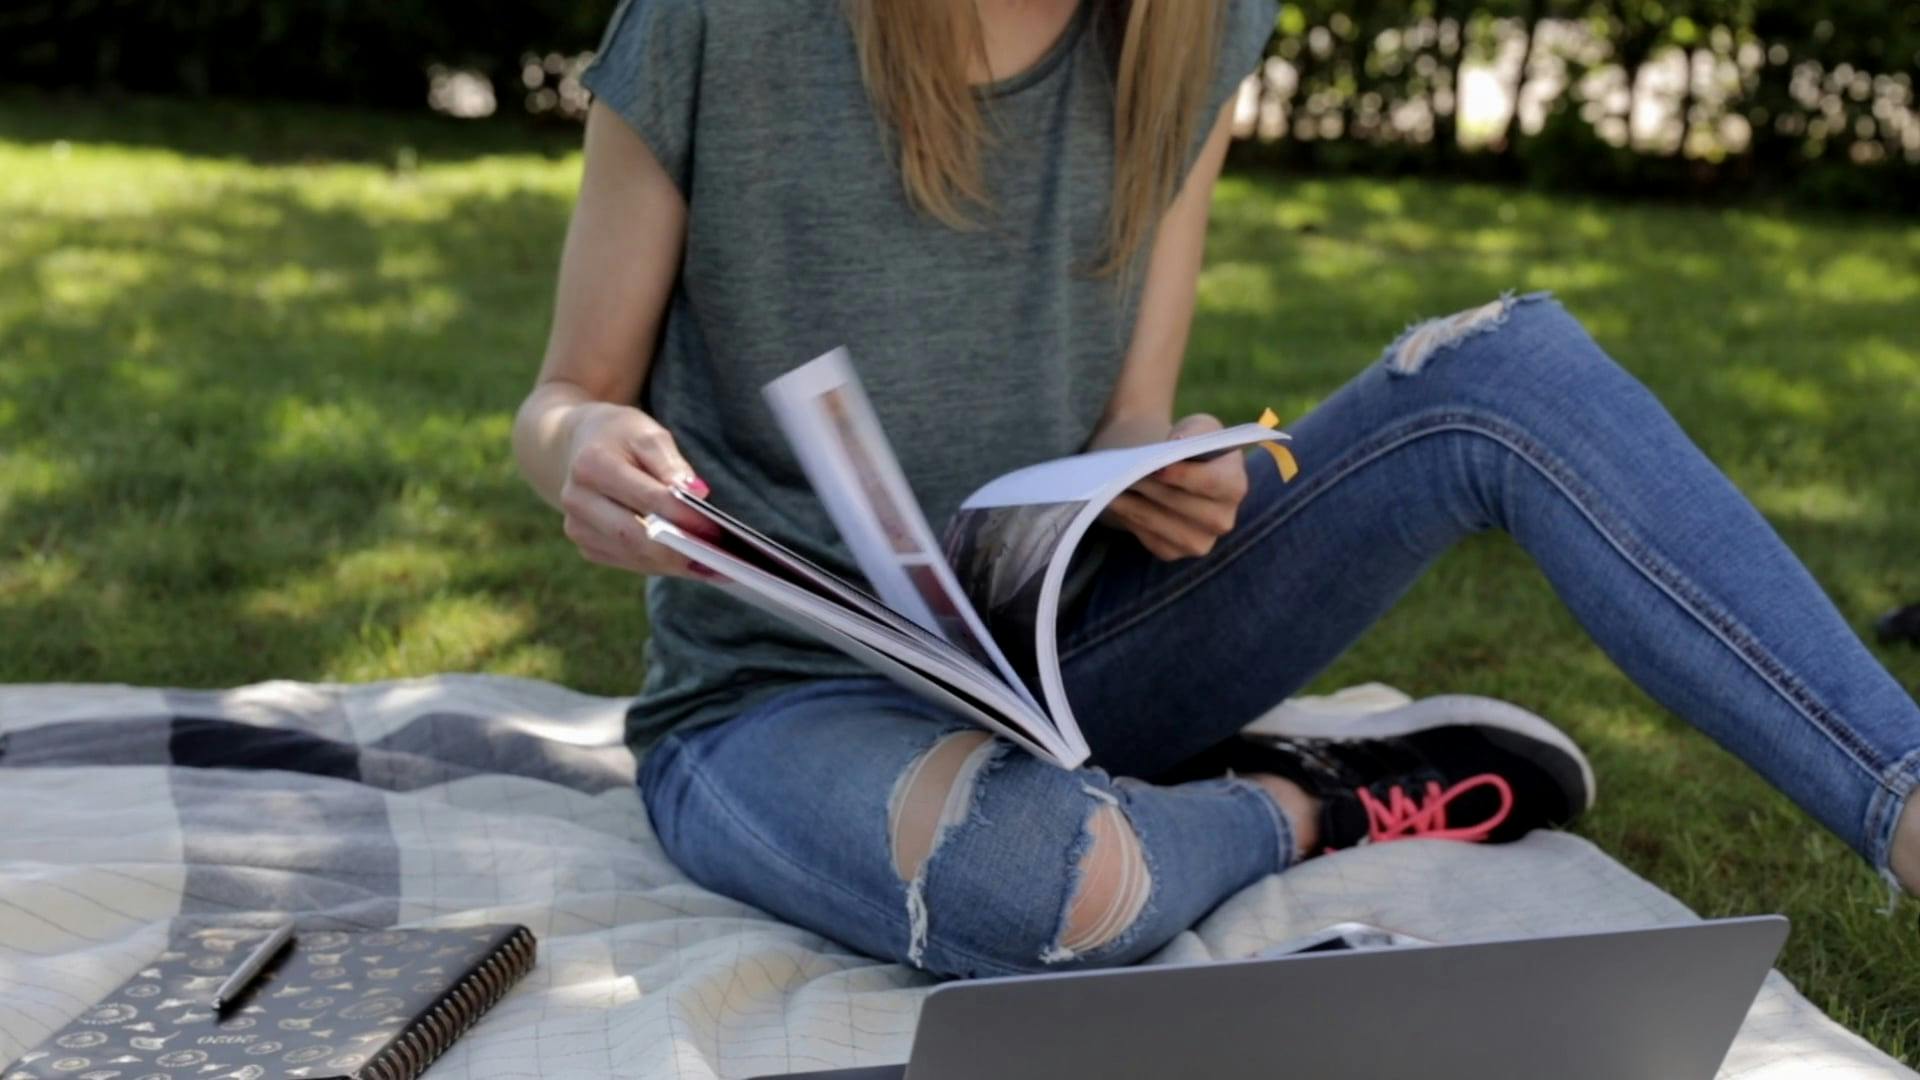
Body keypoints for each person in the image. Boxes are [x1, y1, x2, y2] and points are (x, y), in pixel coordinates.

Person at [512, 0, 1920, 978]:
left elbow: (1127, 413)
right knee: (1056, 889)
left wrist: (1159, 472)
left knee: (1507, 371)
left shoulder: (1183, 31)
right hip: (776, 702)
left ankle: (1905, 804)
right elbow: (567, 394)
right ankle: (1311, 799)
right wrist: (582, 453)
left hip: (1062, 661)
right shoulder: (718, 24)